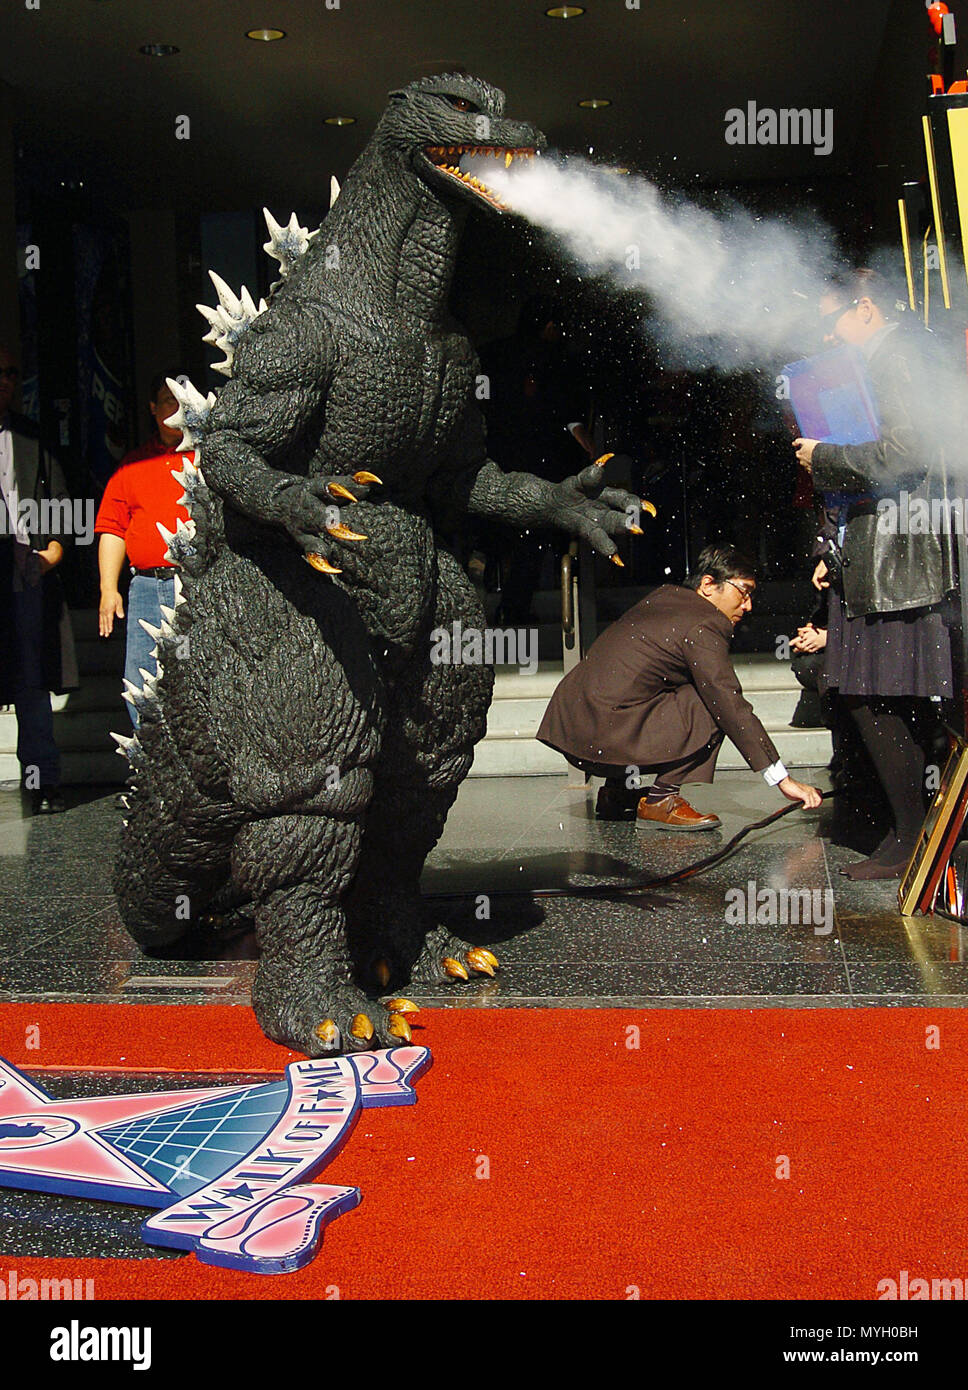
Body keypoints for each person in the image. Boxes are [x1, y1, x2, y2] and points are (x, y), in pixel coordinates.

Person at [793, 269, 956, 879]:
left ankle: (914, 837)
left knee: (876, 694)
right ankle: (911, 832)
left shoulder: (896, 359)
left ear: (865, 310)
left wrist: (824, 457)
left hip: (900, 562)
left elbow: (904, 451)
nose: (828, 335)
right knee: (869, 694)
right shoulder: (882, 363)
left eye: (832, 319)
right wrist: (832, 551)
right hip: (876, 556)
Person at [536, 543, 822, 827]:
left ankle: (617, 794)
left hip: (575, 726)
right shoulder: (704, 622)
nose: (748, 605)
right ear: (708, 585)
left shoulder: (665, 598)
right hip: (603, 730)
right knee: (711, 703)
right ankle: (662, 800)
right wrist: (782, 779)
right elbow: (728, 702)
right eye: (744, 592)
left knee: (658, 688)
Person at [0, 342, 78, 813]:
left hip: (25, 573)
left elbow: (62, 505)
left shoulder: (33, 437)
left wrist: (52, 552)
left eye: (11, 372)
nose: (5, 380)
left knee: (31, 679)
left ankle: (41, 781)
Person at [95, 375, 190, 727]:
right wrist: (108, 589)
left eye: (181, 399)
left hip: (196, 587)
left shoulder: (209, 460)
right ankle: (153, 772)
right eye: (167, 399)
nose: (175, 407)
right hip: (147, 588)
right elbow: (112, 529)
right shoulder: (131, 467)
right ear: (152, 408)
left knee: (199, 680)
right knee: (141, 683)